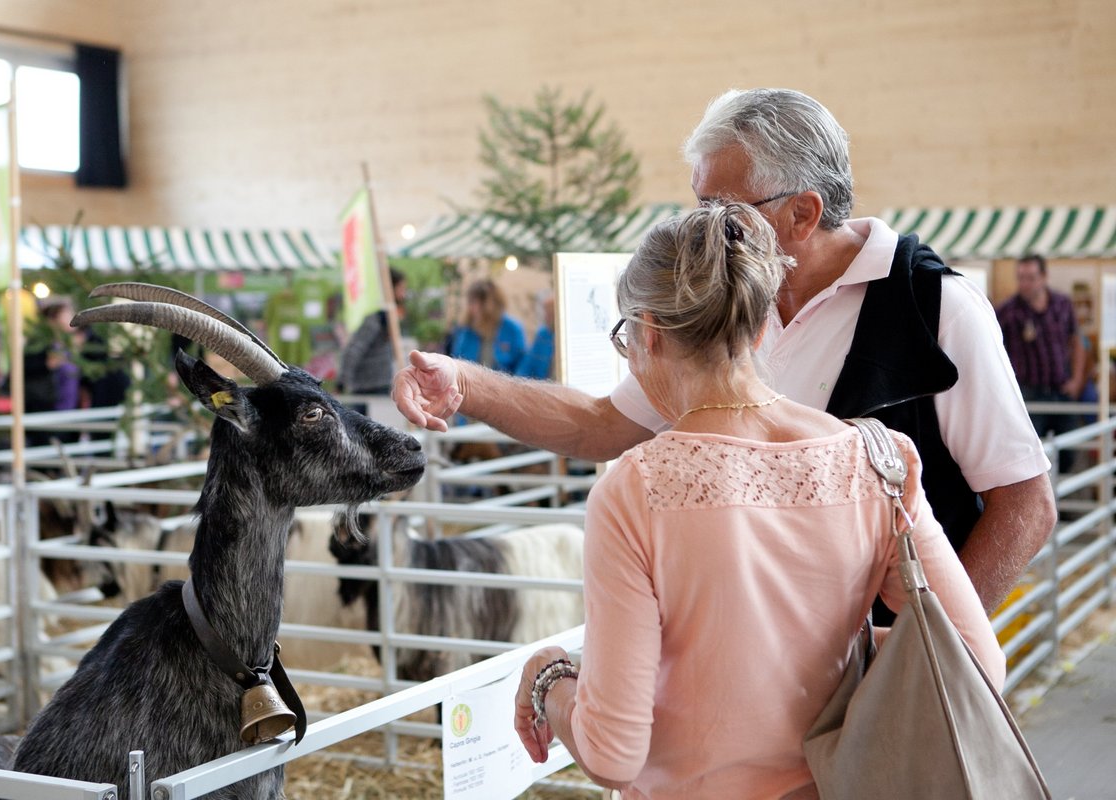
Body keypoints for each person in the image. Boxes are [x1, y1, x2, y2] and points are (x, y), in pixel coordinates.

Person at [394, 87, 1054, 614]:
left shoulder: (937, 310)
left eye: (721, 207)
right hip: (764, 681)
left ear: (802, 213)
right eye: (696, 205)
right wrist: (464, 384)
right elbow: (602, 424)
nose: (700, 228)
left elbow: (1025, 506)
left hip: (881, 688)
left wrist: (926, 653)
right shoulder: (727, 302)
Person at [512, 205, 1004, 798]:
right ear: (758, 323)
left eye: (626, 342)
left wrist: (549, 677)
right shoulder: (877, 460)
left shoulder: (635, 490)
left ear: (648, 333)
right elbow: (976, 660)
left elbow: (613, 752)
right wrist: (833, 648)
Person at [996, 254, 1086, 471]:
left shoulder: (1062, 304)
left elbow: (1077, 341)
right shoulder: (1008, 311)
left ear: (1044, 277)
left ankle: (1061, 497)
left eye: (1031, 277)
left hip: (1061, 390)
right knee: (1032, 455)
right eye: (1021, 278)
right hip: (1029, 395)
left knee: (1068, 450)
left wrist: (1076, 380)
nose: (1025, 284)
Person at [339, 268, 407, 395]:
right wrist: (342, 382)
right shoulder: (375, 320)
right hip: (368, 386)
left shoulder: (388, 318)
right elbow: (354, 350)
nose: (404, 294)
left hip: (381, 383)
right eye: (401, 288)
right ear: (390, 289)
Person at [447, 279, 526, 374]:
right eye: (470, 302)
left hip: (503, 385)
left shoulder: (512, 329)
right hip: (470, 384)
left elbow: (522, 366)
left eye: (477, 303)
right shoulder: (466, 329)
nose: (472, 308)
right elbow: (457, 362)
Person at [516, 293, 556, 380]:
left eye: (550, 315)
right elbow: (527, 365)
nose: (546, 318)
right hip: (541, 386)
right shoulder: (542, 334)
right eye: (545, 314)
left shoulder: (565, 338)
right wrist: (517, 383)